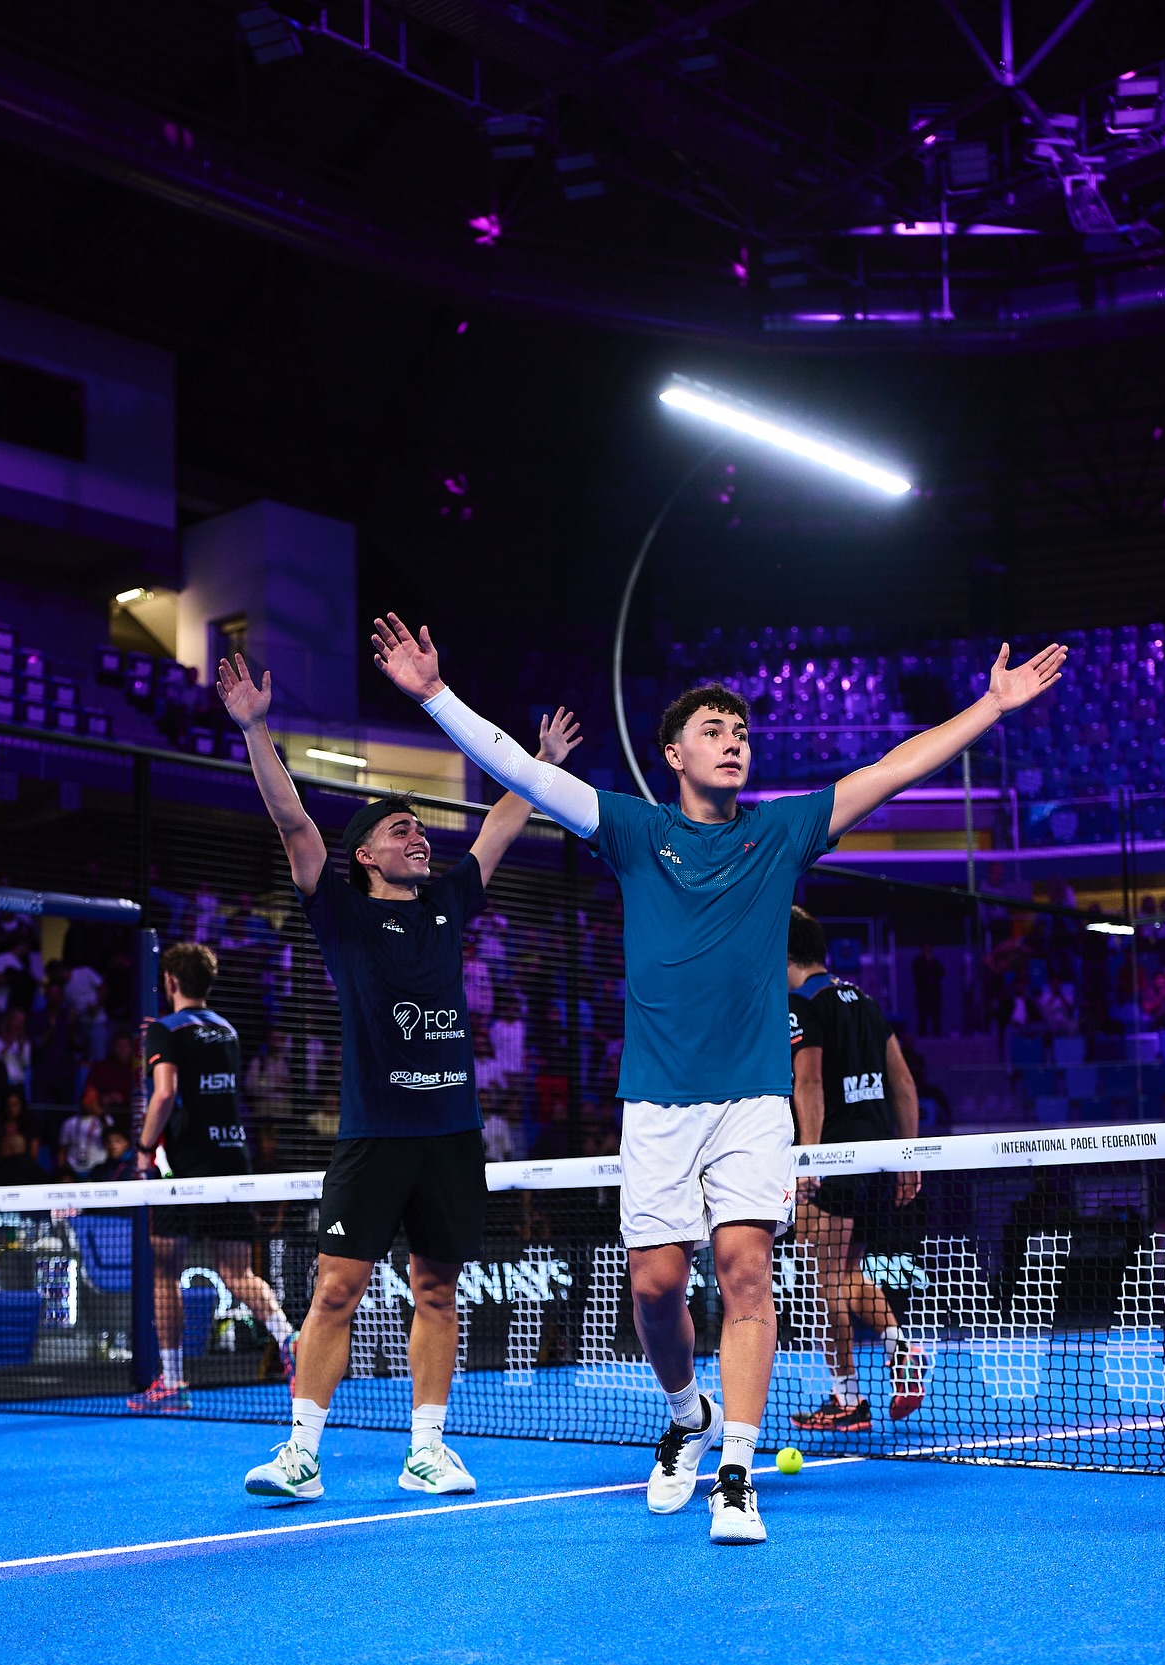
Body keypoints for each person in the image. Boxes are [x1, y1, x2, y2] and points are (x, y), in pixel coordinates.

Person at [373, 610, 1065, 1544]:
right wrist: (434, 696)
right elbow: (522, 771)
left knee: (746, 1272)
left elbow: (892, 770)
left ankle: (734, 1469)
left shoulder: (778, 836)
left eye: (742, 734)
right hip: (656, 1102)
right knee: (655, 1288)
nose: (734, 743)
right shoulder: (628, 830)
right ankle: (687, 1415)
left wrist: (990, 706)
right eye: (714, 732)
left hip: (752, 1099)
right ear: (672, 755)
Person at [218, 651, 582, 1504]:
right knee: (335, 1289)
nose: (419, 836)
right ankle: (301, 1455)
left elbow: (502, 820)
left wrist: (544, 768)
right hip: (374, 1136)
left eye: (421, 828)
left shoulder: (450, 901)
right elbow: (294, 823)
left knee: (436, 1288)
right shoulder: (339, 911)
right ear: (366, 859)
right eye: (400, 831)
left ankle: (428, 1449)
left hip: (450, 1137)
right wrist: (253, 728)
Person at [128, 941, 294, 1415]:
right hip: (233, 1160)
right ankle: (292, 1341)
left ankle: (174, 1380)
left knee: (166, 1270)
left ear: (171, 983)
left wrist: (143, 1152)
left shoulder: (163, 1029)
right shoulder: (227, 1030)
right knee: (238, 1273)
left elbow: (165, 1095)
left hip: (184, 1169)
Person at [784, 905, 925, 1432]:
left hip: (833, 1161)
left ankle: (847, 1397)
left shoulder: (802, 1002)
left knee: (825, 1283)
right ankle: (901, 1350)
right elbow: (904, 1083)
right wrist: (908, 1157)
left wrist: (808, 1163)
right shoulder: (863, 1000)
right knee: (843, 1276)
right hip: (878, 1159)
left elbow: (810, 1083)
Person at [57, 1083, 107, 1176]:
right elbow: (62, 1149)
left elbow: (110, 1136)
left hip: (98, 1167)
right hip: (73, 1168)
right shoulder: (69, 1123)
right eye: (87, 1099)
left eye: (94, 1099)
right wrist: (62, 1171)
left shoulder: (105, 1120)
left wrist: (101, 1114)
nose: (90, 1103)